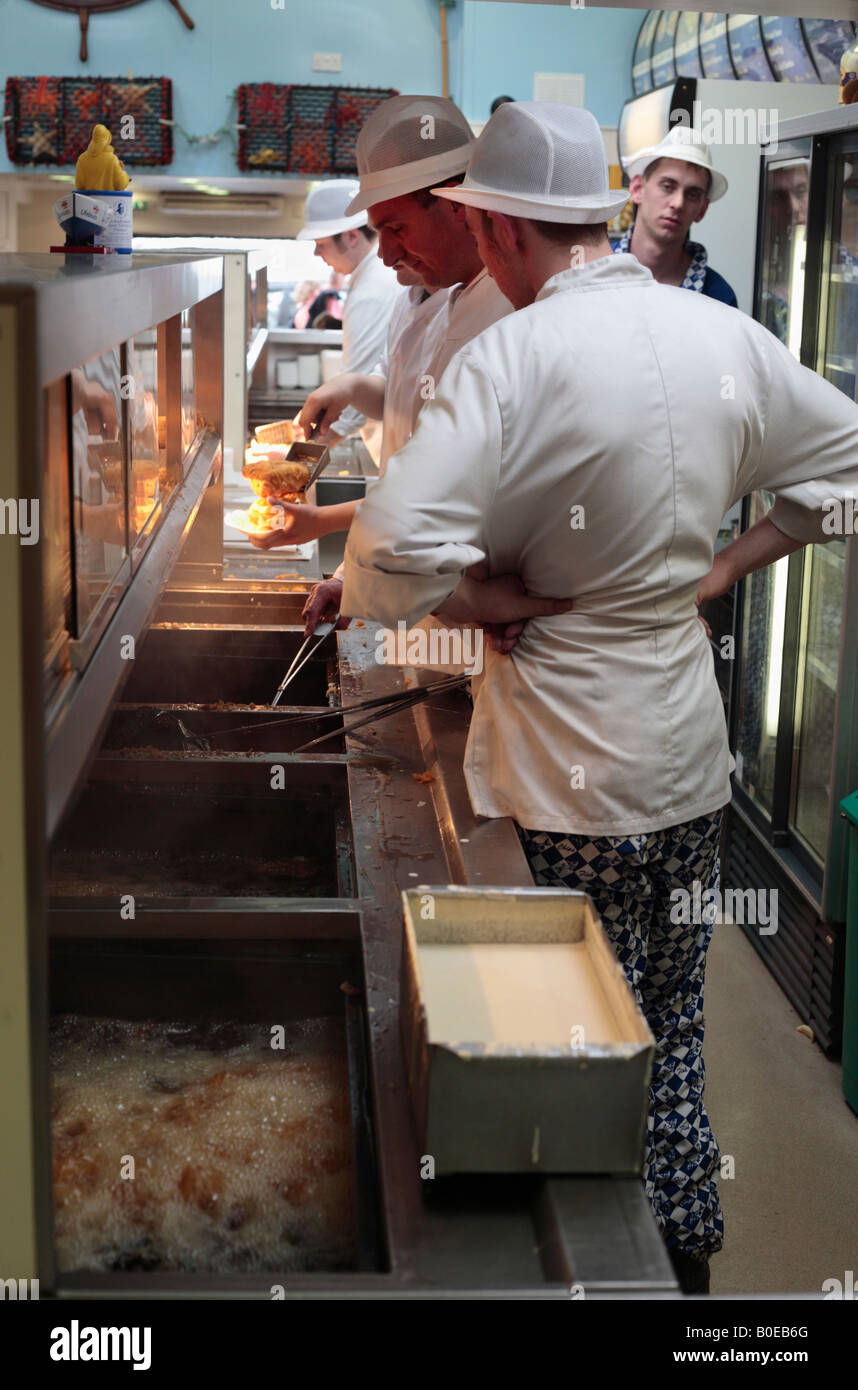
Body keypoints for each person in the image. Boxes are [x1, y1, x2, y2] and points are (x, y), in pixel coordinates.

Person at [339, 101, 858, 1293]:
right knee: (671, 1038)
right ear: (602, 211)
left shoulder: (518, 354)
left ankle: (602, 1275)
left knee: (572, 1060)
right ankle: (686, 1268)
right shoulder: (719, 336)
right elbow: (847, 463)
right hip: (687, 773)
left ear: (504, 230)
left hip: (568, 783)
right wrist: (721, 568)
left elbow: (381, 561)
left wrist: (482, 606)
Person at [251, 96, 513, 633]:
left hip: (468, 608)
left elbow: (446, 495)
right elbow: (405, 412)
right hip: (428, 593)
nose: (388, 255)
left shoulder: (506, 319)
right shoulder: (436, 295)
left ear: (457, 205)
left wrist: (328, 531)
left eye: (397, 229)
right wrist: (350, 387)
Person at [295, 179, 400, 464]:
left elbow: (355, 393)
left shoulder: (372, 290)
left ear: (352, 236)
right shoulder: (370, 278)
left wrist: (300, 457)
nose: (317, 253)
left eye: (321, 244)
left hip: (394, 440)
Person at [618, 125, 737, 305]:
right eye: (667, 186)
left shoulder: (718, 297)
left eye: (693, 195)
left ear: (703, 209)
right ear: (637, 189)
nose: (678, 203)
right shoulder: (592, 270)